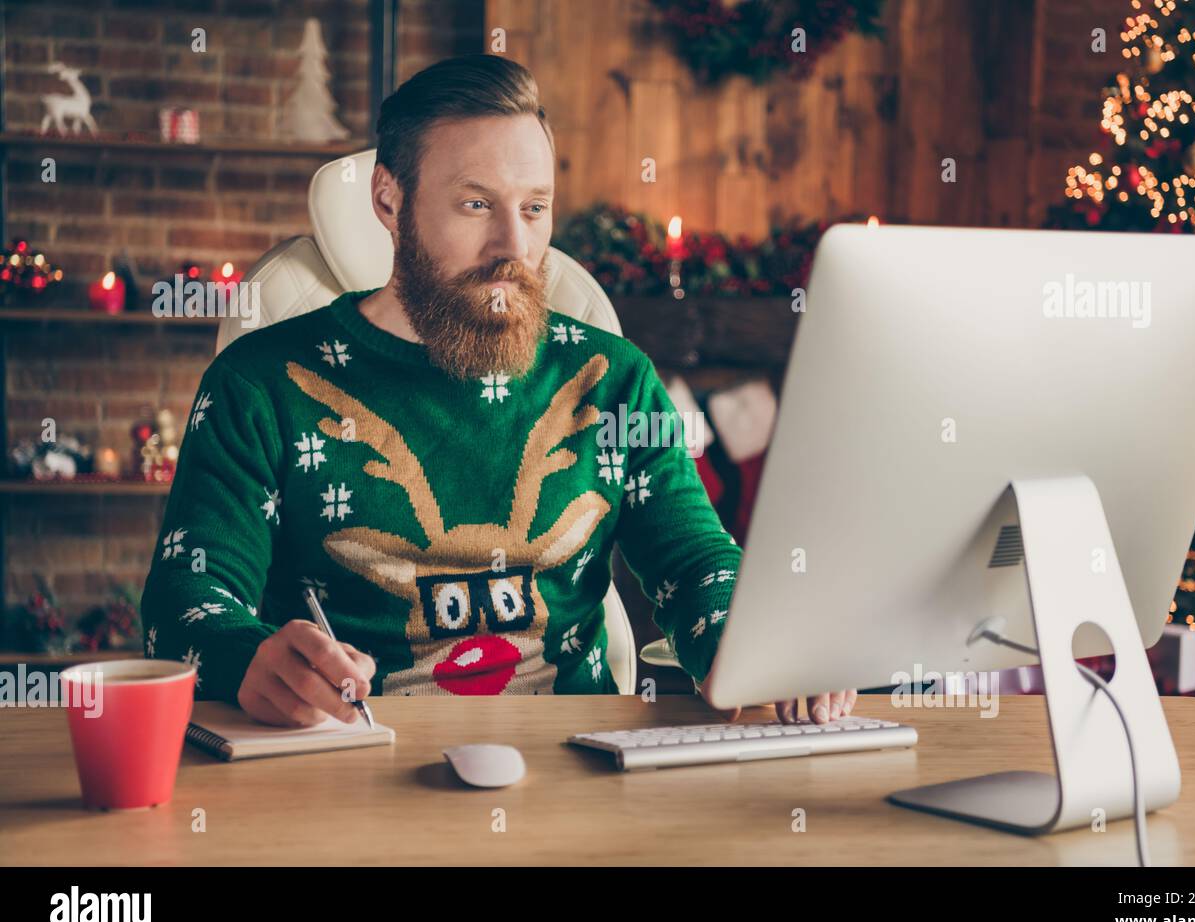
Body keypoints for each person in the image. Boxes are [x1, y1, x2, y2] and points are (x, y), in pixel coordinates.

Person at [140, 54, 856, 727]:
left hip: (579, 770)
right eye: (477, 205)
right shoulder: (258, 384)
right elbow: (186, 604)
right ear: (389, 203)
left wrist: (749, 645)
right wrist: (249, 661)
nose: (514, 247)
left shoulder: (614, 382)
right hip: (349, 761)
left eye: (535, 208)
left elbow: (696, 563)